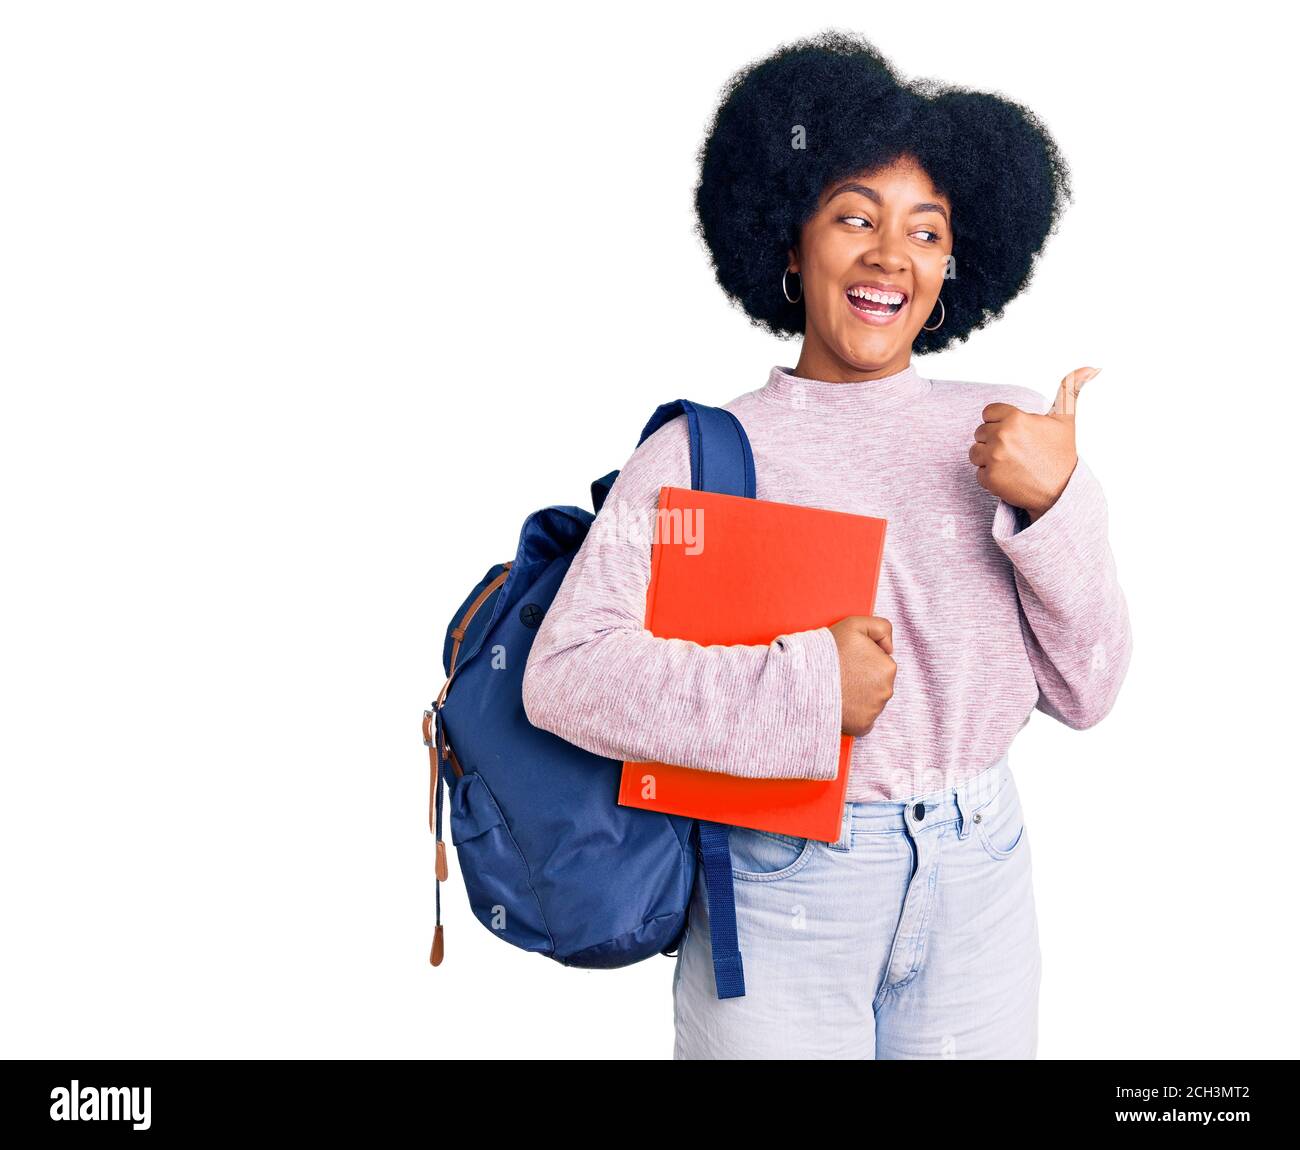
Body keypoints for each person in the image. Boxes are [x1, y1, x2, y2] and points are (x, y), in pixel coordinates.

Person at [521, 29, 1132, 1059]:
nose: (891, 256)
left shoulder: (1010, 431)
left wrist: (1057, 501)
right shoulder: (698, 452)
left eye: (926, 231)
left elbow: (1089, 689)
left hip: (980, 870)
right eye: (854, 217)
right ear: (790, 241)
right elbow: (565, 678)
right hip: (777, 882)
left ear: (955, 261)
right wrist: (807, 689)